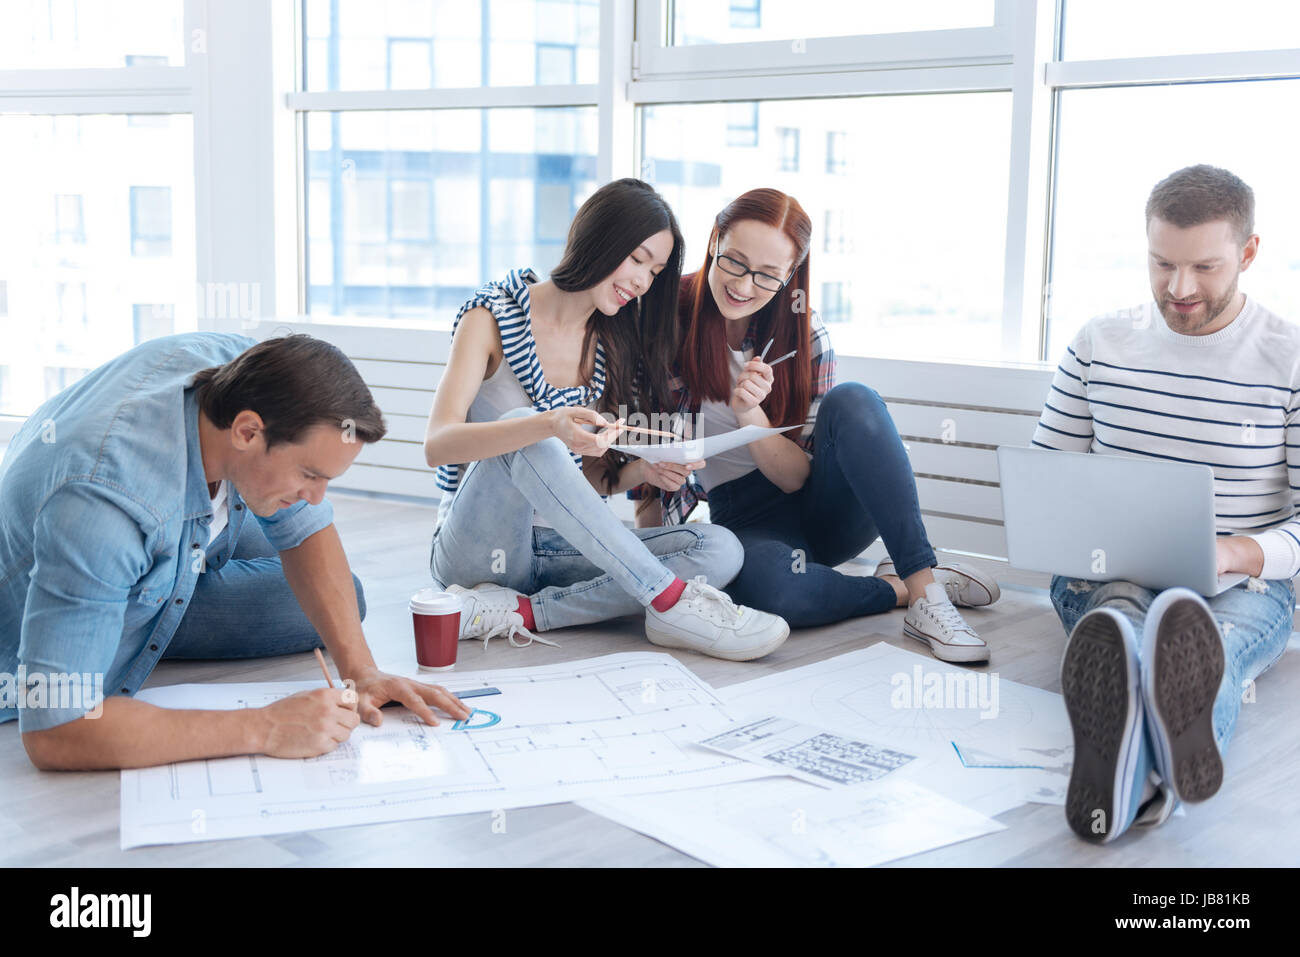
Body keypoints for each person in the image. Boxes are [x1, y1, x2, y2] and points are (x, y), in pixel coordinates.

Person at [0, 333, 472, 771]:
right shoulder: (104, 508)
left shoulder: (242, 372)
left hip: (167, 523)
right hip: (64, 578)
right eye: (310, 473)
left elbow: (308, 530)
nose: (318, 496)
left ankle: (177, 573)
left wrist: (363, 672)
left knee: (344, 596)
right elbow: (55, 732)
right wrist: (265, 726)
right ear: (247, 432)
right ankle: (143, 598)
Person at [1034, 164, 1296, 844]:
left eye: (1205, 267)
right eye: (1161, 264)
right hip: (1107, 565)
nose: (1179, 289)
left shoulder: (1288, 359)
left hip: (1244, 580)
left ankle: (1130, 774)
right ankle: (1148, 775)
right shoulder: (1099, 341)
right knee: (1119, 612)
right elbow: (1049, 480)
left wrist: (1237, 551)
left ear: (1248, 252)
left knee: (1215, 645)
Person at [424, 178, 789, 661]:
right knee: (526, 429)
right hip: (474, 547)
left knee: (720, 549)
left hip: (555, 549)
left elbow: (583, 482)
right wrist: (547, 425)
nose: (642, 281)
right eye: (637, 259)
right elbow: (438, 444)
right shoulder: (490, 317)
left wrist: (642, 471)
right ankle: (667, 601)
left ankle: (524, 613)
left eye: (656, 271)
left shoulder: (610, 343)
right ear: (598, 238)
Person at [631, 187, 1000, 662]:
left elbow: (795, 478)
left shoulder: (805, 335)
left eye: (767, 276)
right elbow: (645, 445)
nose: (744, 287)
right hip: (745, 518)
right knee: (779, 594)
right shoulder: (664, 320)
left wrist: (750, 412)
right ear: (714, 242)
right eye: (735, 262)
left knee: (855, 400)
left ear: (790, 276)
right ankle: (902, 589)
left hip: (827, 505)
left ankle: (927, 593)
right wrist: (649, 562)